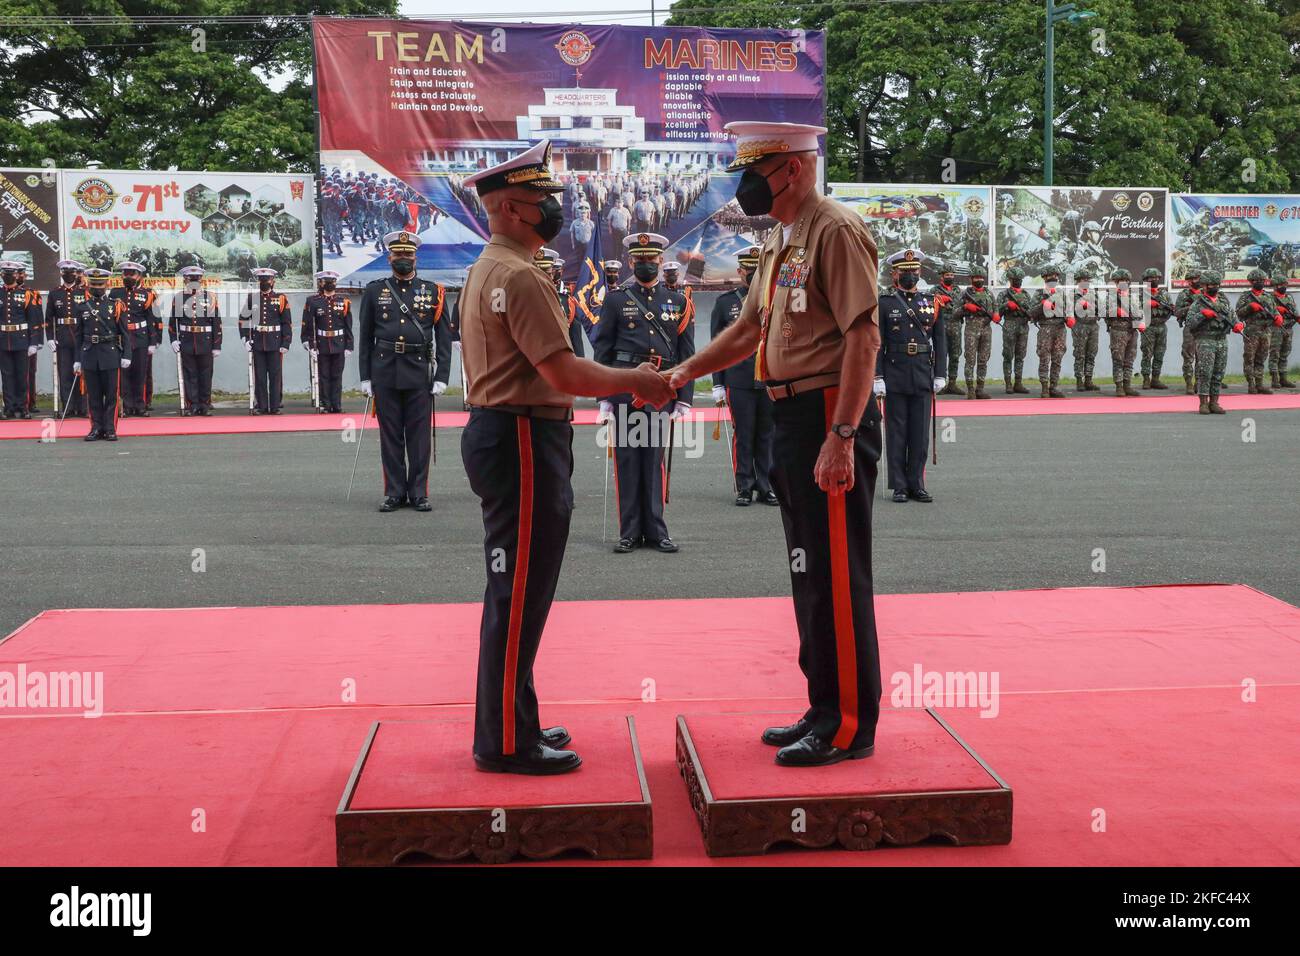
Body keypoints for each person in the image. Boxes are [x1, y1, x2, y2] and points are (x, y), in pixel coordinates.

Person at [666, 121, 883, 767]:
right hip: (791, 417)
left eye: (754, 173)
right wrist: (682, 373)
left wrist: (842, 435)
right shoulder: (787, 239)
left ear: (791, 169)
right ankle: (823, 706)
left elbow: (863, 340)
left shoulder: (835, 231)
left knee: (838, 573)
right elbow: (748, 331)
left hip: (826, 414)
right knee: (810, 570)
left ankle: (847, 726)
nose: (747, 186)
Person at [459, 139, 673, 773]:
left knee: (517, 590)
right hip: (522, 436)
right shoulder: (521, 274)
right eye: (541, 197)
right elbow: (564, 369)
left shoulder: (493, 266)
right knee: (519, 590)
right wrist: (637, 380)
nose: (554, 206)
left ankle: (513, 718)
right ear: (512, 207)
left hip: (513, 431)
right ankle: (504, 741)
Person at [593, 232, 695, 553]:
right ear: (630, 261)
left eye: (651, 260)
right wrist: (604, 396)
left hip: (661, 389)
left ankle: (656, 530)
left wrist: (685, 398)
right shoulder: (615, 299)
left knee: (653, 459)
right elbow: (603, 351)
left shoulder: (678, 301)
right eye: (640, 260)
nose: (646, 265)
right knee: (627, 458)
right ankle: (629, 530)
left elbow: (687, 355)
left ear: (661, 262)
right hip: (624, 386)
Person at [357, 230, 451, 512]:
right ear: (389, 258)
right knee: (391, 435)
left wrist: (442, 376)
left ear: (415, 257)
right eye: (398, 254)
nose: (403, 259)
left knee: (419, 436)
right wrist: (365, 377)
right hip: (384, 370)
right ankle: (395, 492)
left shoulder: (434, 291)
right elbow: (365, 338)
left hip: (419, 372)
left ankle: (419, 492)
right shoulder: (375, 290)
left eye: (408, 255)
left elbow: (444, 338)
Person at [875, 250, 946, 502]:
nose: (910, 276)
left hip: (922, 374)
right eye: (905, 271)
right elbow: (877, 343)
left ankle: (917, 482)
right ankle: (899, 485)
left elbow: (940, 340)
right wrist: (877, 377)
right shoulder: (884, 303)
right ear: (894, 273)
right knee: (897, 431)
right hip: (894, 373)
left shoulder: (931, 300)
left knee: (919, 433)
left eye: (914, 271)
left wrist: (940, 374)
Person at [710, 245, 776, 506]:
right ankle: (745, 486)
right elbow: (718, 346)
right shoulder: (725, 302)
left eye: (759, 268)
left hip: (770, 377)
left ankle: (767, 485)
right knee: (744, 434)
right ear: (740, 271)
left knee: (767, 434)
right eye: (750, 269)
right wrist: (717, 383)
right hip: (738, 379)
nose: (754, 273)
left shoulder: (775, 299)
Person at [73, 268, 130, 441]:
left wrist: (127, 354)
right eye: (94, 284)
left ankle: (110, 428)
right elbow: (78, 336)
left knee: (111, 395)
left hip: (110, 354)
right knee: (94, 395)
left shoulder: (116, 305)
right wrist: (77, 359)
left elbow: (125, 333)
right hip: (90, 354)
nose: (97, 287)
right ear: (88, 285)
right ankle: (96, 428)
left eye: (100, 284)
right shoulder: (82, 306)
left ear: (107, 285)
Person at [168, 266, 222, 415]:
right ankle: (192, 405)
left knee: (205, 375)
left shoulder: (210, 297)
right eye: (190, 279)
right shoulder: (179, 298)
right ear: (185, 280)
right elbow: (173, 323)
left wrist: (217, 345)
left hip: (205, 342)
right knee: (189, 374)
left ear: (201, 280)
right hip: (186, 342)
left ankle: (204, 405)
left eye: (196, 279)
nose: (193, 281)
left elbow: (217, 322)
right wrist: (173, 339)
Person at [239, 268, 292, 414]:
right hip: (257, 342)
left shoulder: (281, 298)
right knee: (260, 376)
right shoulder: (252, 298)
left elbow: (286, 323)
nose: (264, 282)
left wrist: (286, 342)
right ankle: (262, 406)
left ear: (273, 281)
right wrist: (245, 339)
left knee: (275, 376)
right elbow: (243, 319)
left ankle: (275, 406)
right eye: (261, 279)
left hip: (275, 342)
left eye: (267, 279)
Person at [1186, 270, 1240, 414]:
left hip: (1221, 340)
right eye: (1211, 284)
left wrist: (1238, 325)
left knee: (1218, 372)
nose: (1214, 287)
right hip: (1205, 340)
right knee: (1205, 372)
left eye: (1217, 284)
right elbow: (1190, 323)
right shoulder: (1198, 303)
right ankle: (1203, 403)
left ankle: (1214, 402)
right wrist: (1202, 315)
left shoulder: (1224, 301)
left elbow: (1233, 317)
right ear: (1204, 285)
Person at [110, 261, 158, 416]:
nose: (128, 276)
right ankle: (127, 405)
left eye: (132, 274)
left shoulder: (148, 294)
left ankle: (140, 404)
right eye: (126, 273)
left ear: (139, 276)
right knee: (124, 374)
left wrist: (153, 341)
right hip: (122, 339)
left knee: (140, 372)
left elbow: (154, 319)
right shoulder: (115, 293)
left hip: (140, 338)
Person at [301, 270, 353, 413]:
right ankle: (325, 404)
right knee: (323, 375)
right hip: (321, 343)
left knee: (337, 375)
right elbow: (307, 323)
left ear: (336, 283)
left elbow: (348, 325)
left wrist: (349, 345)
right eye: (326, 281)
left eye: (332, 281)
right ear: (321, 283)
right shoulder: (313, 301)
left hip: (339, 342)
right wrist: (308, 342)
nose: (330, 283)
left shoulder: (344, 302)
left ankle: (336, 405)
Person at [45, 259, 88, 418]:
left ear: (77, 273)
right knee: (65, 374)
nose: (68, 275)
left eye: (72, 272)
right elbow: (49, 319)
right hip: (63, 337)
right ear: (61, 273)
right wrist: (50, 338)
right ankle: (68, 407)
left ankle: (83, 406)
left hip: (81, 335)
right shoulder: (55, 293)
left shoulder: (84, 292)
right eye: (65, 272)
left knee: (83, 372)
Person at [0, 259, 42, 419]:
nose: (8, 276)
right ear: (2, 275)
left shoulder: (26, 294)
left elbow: (33, 320)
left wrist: (34, 342)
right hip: (3, 340)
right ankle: (9, 407)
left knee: (22, 374)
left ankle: (23, 407)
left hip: (21, 339)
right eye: (5, 274)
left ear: (17, 275)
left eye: (11, 274)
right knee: (7, 375)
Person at [1101, 268, 1144, 397]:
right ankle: (1119, 386)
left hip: (1132, 331)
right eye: (1120, 281)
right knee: (1118, 359)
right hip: (1118, 331)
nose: (1123, 283)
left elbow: (1139, 312)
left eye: (1125, 280)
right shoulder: (1111, 297)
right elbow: (1104, 311)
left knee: (1130, 359)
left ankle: (1127, 385)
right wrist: (1115, 311)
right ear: (1115, 282)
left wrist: (1139, 323)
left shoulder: (1133, 296)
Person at [1030, 262, 1068, 397]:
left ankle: (1054, 386)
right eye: (1050, 276)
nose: (1053, 277)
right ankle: (1045, 387)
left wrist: (1070, 318)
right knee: (1044, 358)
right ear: (1044, 277)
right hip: (1046, 328)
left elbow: (1069, 312)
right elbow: (1031, 313)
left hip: (1060, 329)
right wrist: (1042, 305)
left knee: (1058, 358)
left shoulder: (1062, 294)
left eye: (1055, 275)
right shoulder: (1039, 293)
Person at [1237, 268, 1275, 394]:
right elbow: (1238, 313)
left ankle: (1259, 384)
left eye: (1262, 280)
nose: (1260, 282)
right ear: (1251, 282)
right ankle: (1251, 384)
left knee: (1261, 357)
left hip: (1266, 331)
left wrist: (1278, 316)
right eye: (1257, 280)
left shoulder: (1268, 296)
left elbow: (1275, 312)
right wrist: (1249, 307)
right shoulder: (1246, 296)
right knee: (1250, 358)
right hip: (1252, 331)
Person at [995, 267, 1032, 394]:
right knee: (1008, 355)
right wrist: (1006, 305)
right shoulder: (1004, 294)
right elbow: (996, 314)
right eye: (1015, 279)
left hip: (1023, 326)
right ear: (1010, 280)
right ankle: (1008, 383)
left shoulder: (1026, 295)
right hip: (1010, 325)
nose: (1018, 281)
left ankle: (1018, 383)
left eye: (1019, 279)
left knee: (1020, 355)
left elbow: (1031, 312)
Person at [958, 265, 993, 398]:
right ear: (971, 278)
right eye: (976, 277)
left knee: (983, 359)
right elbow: (955, 313)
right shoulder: (965, 294)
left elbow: (995, 309)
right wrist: (966, 306)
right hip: (971, 330)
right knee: (970, 360)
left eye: (981, 277)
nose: (979, 279)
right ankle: (971, 390)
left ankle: (980, 389)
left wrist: (995, 314)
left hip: (986, 330)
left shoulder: (989, 293)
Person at [1139, 267, 1175, 389]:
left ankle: (1155, 379)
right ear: (1145, 280)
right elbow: (1134, 310)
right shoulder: (1141, 294)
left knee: (1159, 354)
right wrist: (1147, 304)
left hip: (1161, 327)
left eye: (1156, 278)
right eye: (1151, 278)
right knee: (1147, 354)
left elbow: (1171, 309)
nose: (1154, 279)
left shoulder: (1164, 294)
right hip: (1148, 327)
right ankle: (1146, 379)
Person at [1174, 267, 1203, 394]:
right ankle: (1189, 383)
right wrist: (1190, 307)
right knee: (1188, 356)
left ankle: (1199, 383)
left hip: (1204, 329)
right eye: (1190, 279)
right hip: (1190, 328)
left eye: (1195, 278)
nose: (1193, 281)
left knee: (1201, 357)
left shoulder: (1205, 294)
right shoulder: (1184, 294)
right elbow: (1177, 312)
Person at [934, 267, 963, 394]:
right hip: (941, 326)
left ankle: (952, 384)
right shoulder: (934, 291)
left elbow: (963, 306)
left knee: (955, 355)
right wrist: (938, 299)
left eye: (952, 275)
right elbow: (929, 305)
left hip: (956, 326)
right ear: (942, 276)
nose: (950, 277)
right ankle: (941, 383)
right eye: (947, 275)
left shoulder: (959, 291)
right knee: (941, 354)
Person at [1269, 272, 1296, 389]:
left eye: (1285, 284)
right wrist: (1276, 309)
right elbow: (1266, 313)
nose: (1283, 286)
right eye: (1280, 284)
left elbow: (1294, 311)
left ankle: (1283, 378)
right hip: (1276, 329)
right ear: (1275, 286)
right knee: (1275, 354)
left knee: (1285, 354)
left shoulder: (1289, 297)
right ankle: (1275, 379)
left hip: (1288, 329)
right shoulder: (1269, 298)